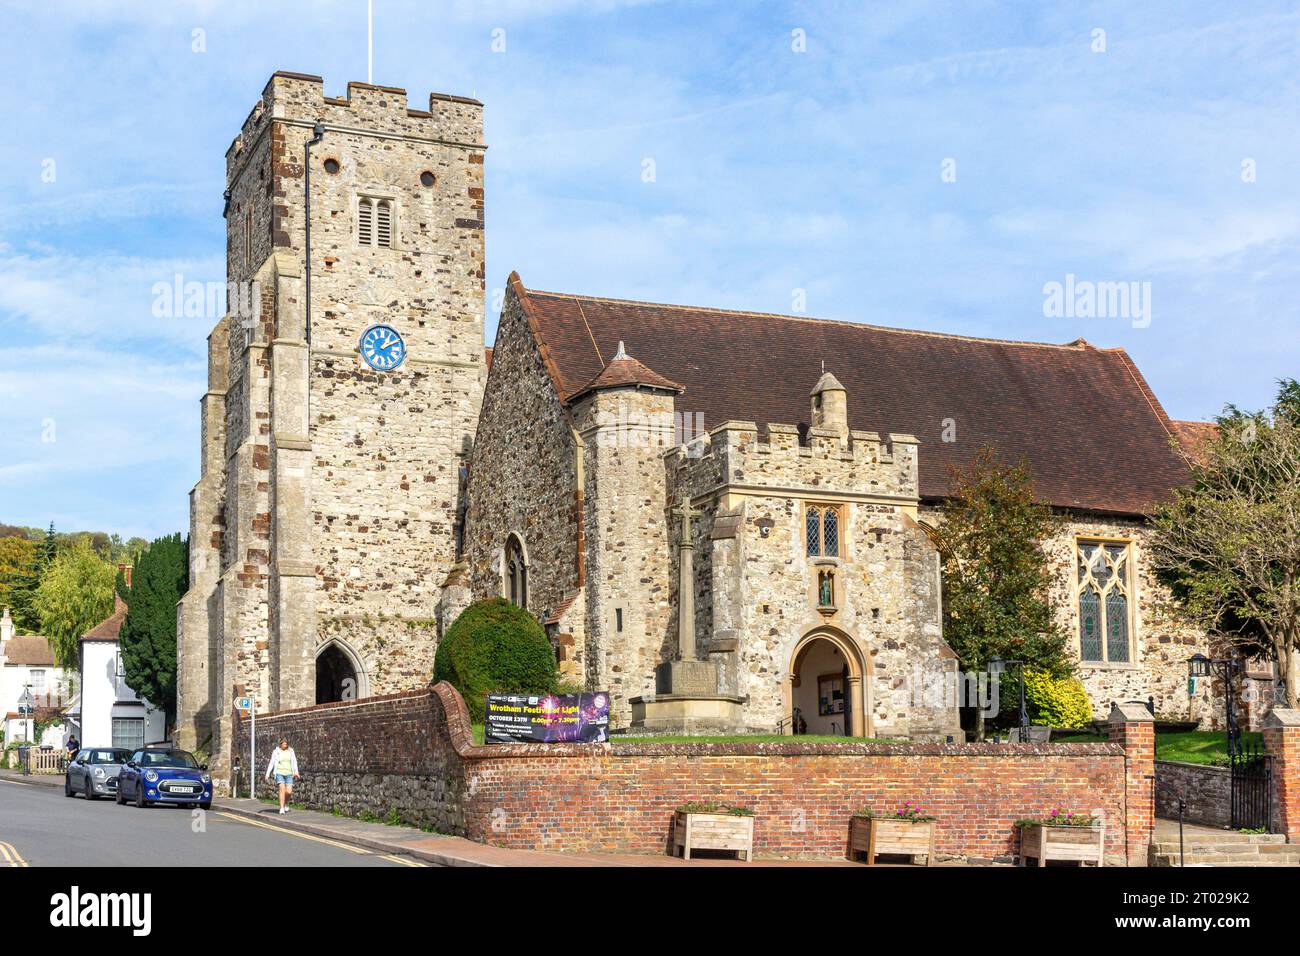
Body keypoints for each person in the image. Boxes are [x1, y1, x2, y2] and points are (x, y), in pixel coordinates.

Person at [264, 738, 300, 814]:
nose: (285, 745)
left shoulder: (291, 751)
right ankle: (281, 808)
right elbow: (272, 763)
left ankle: (286, 803)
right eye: (283, 744)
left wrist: (296, 772)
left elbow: (294, 762)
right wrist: (267, 774)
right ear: (280, 744)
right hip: (279, 773)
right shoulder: (276, 752)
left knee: (289, 792)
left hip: (289, 773)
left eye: (286, 744)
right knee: (282, 789)